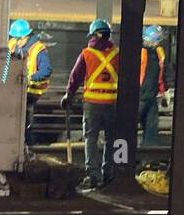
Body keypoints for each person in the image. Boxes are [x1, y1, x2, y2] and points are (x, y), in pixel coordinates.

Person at [61, 18, 119, 188]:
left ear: (95, 35)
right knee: (111, 139)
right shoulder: (117, 54)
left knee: (91, 138)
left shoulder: (87, 53)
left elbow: (75, 77)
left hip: (93, 104)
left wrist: (68, 95)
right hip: (112, 104)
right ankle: (109, 172)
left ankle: (93, 174)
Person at [7, 19, 51, 147]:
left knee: (24, 118)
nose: (17, 41)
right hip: (15, 89)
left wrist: (30, 78)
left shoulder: (38, 49)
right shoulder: (12, 44)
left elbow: (46, 70)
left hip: (31, 91)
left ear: (26, 36)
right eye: (14, 37)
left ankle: (28, 144)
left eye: (19, 38)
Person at [138, 24, 170, 146]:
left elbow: (161, 75)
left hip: (151, 98)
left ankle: (147, 160)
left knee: (151, 132)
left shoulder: (159, 53)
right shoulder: (139, 52)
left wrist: (164, 92)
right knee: (128, 130)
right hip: (138, 97)